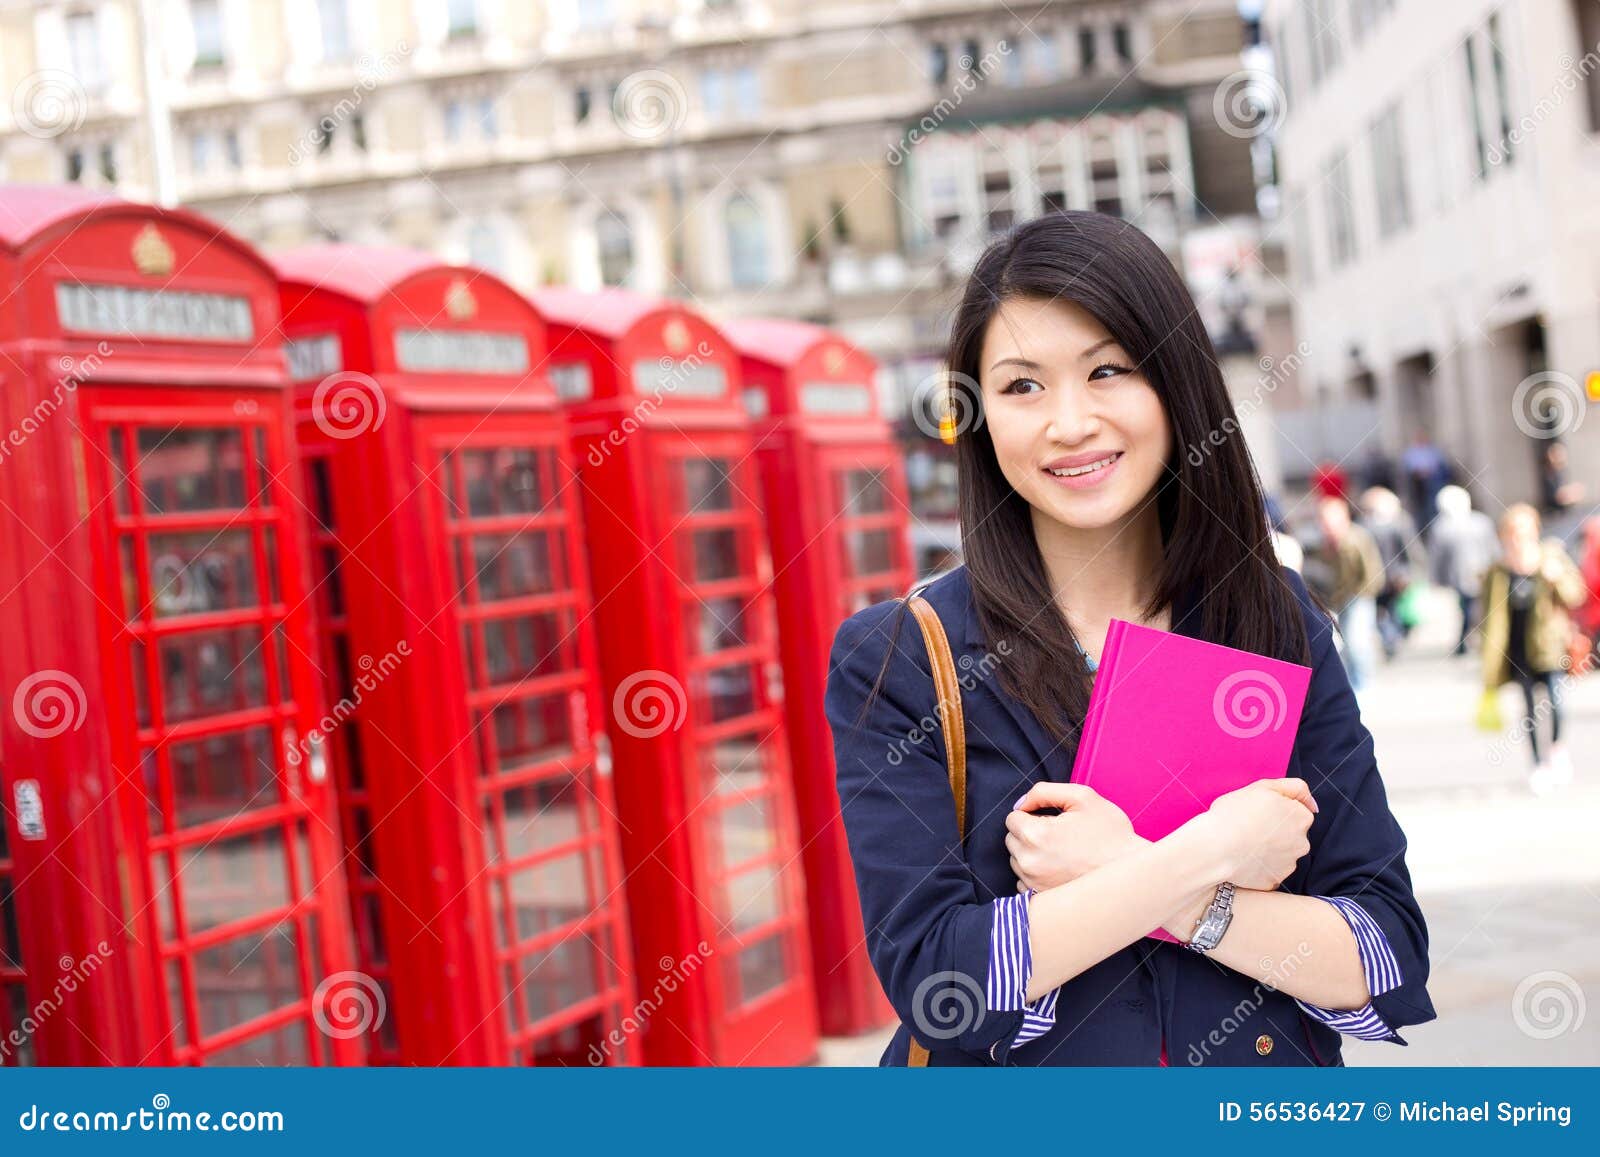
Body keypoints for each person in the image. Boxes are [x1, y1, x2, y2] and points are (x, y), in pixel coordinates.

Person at [823, 212, 1434, 1067]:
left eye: (1108, 369)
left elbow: (1383, 952)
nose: (1069, 422)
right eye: (1022, 386)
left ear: (1176, 383)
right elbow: (943, 988)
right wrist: (1214, 853)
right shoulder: (898, 660)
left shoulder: (1272, 618)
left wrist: (1133, 873)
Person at [1478, 504, 1587, 795]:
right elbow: (1487, 613)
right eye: (1512, 533)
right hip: (1516, 649)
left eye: (1523, 532)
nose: (1517, 539)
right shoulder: (1498, 571)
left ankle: (1556, 749)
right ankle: (1538, 764)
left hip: (1550, 646)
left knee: (1555, 702)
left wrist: (1556, 578)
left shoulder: (1550, 559)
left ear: (1535, 532)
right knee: (1528, 709)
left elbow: (1576, 595)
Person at [1306, 496, 1385, 696]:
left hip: (1358, 595)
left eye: (1329, 522)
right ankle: (1354, 682)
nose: (1325, 527)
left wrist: (1364, 593)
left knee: (1357, 640)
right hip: (1338, 598)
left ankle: (1365, 683)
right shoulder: (1327, 543)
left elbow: (1371, 571)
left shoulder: (1357, 538)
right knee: (1346, 641)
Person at [1429, 485, 1499, 656]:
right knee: (1472, 608)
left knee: (1471, 608)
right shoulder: (1478, 522)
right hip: (1469, 575)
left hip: (1473, 574)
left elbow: (1493, 548)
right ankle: (1467, 640)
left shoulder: (1445, 527)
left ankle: (1467, 640)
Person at [1358, 486, 1423, 659]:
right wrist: (1409, 571)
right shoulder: (1398, 524)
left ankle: (1390, 638)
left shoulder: (1364, 527)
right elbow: (1409, 550)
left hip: (1379, 577)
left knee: (1382, 611)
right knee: (1390, 609)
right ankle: (1392, 638)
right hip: (1394, 576)